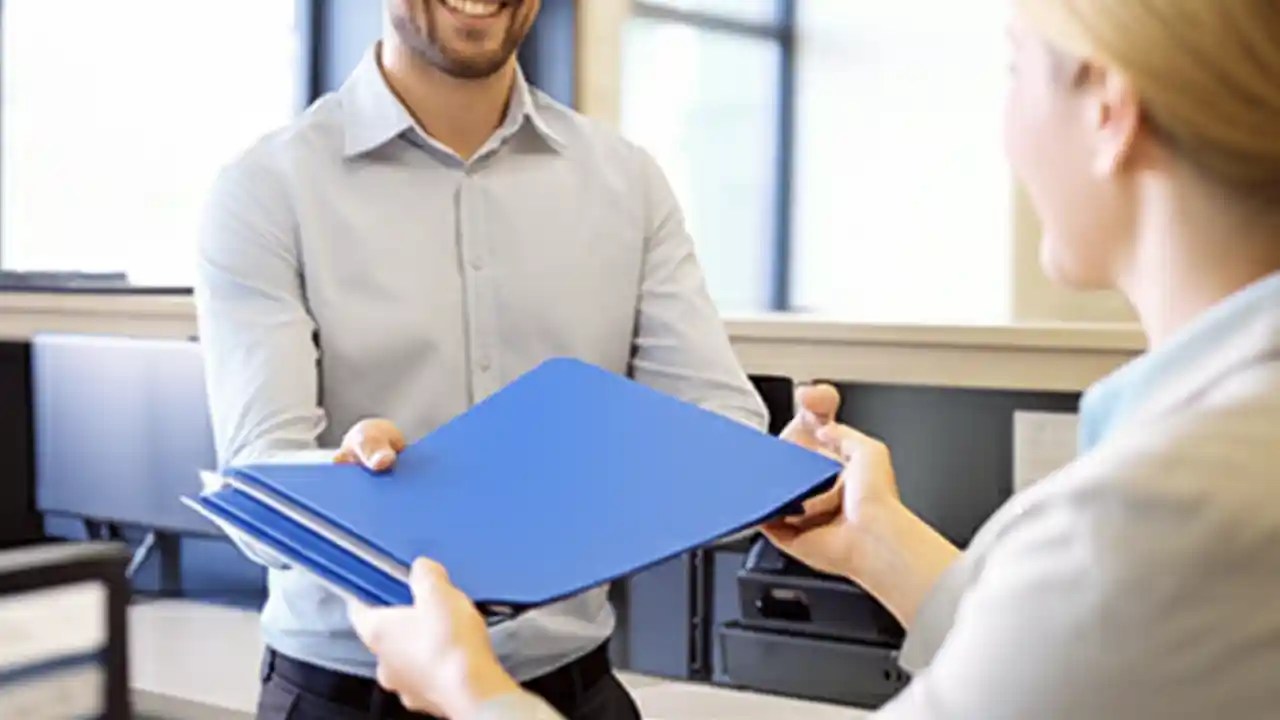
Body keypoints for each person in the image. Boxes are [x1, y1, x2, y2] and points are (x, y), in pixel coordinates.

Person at [347, 1, 1280, 718]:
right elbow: (1077, 649)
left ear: (1110, 110)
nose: (1006, 124)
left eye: (1014, 71)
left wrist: (470, 689)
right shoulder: (1206, 468)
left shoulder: (1155, 514)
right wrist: (883, 546)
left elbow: (1097, 606)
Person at [194, 0, 769, 717]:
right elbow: (260, 486)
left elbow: (723, 424)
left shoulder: (627, 180)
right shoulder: (266, 187)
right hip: (346, 695)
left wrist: (780, 477)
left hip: (572, 687)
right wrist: (347, 487)